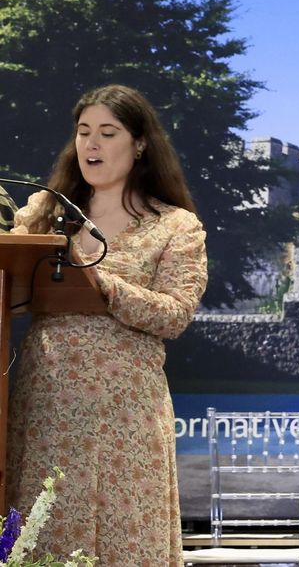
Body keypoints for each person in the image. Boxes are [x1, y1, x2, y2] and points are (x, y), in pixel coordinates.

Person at [5, 84, 207, 565]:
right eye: (83, 132)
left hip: (127, 414)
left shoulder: (176, 226)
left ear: (139, 145)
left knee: (126, 534)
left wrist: (105, 285)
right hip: (48, 404)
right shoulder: (47, 213)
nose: (91, 144)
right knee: (46, 528)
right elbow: (8, 274)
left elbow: (175, 314)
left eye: (107, 133)